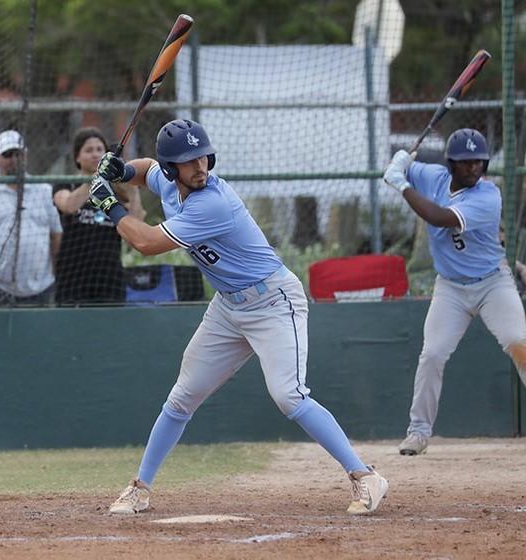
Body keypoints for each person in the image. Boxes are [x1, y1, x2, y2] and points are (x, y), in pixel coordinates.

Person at [91, 118, 388, 515]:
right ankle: (140, 487)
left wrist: (109, 202)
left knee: (289, 396)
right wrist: (125, 171)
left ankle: (365, 476)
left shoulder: (211, 201)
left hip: (273, 302)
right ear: (171, 169)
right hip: (229, 307)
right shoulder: (168, 181)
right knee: (182, 398)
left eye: (202, 157)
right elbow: (147, 170)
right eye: (187, 161)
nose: (199, 166)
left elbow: (145, 242)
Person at [383, 128, 526, 456]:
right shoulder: (432, 176)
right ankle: (418, 431)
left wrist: (400, 182)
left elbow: (440, 217)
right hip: (450, 287)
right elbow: (398, 169)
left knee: (519, 343)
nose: (474, 168)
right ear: (451, 164)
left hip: (492, 283)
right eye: (466, 162)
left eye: (479, 161)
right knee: (432, 354)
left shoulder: (488, 197)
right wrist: (400, 162)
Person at [0, 130, 62, 307]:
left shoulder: (43, 190)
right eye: (7, 155)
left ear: (25, 154)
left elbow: (56, 235)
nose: (14, 160)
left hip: (40, 287)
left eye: (18, 153)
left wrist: (55, 274)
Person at [53, 127, 144, 305]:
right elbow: (69, 205)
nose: (95, 155)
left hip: (109, 276)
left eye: (99, 150)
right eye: (88, 150)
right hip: (72, 277)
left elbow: (137, 222)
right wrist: (97, 178)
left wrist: (131, 187)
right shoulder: (66, 184)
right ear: (77, 157)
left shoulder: (117, 191)